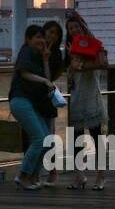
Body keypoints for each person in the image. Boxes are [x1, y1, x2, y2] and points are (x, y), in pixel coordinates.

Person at [8, 24, 57, 191]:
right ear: (28, 39)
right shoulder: (26, 51)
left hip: (31, 103)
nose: (41, 40)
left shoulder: (37, 56)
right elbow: (24, 73)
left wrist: (45, 59)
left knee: (47, 141)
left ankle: (32, 176)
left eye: (42, 37)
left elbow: (48, 80)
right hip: (20, 101)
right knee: (39, 139)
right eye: (37, 37)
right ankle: (22, 175)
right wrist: (44, 81)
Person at [64, 13, 109, 189]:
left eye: (76, 27)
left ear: (82, 27)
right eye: (70, 29)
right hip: (76, 97)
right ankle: (79, 175)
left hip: (91, 95)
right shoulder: (69, 48)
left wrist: (80, 66)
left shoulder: (94, 45)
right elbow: (70, 70)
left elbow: (104, 64)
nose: (74, 30)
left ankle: (101, 176)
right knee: (76, 139)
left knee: (97, 137)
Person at [40, 20, 66, 187]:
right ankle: (32, 173)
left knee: (48, 135)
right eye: (49, 31)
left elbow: (50, 78)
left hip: (47, 98)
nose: (52, 35)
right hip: (32, 96)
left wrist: (46, 59)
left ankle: (53, 172)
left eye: (55, 33)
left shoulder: (56, 55)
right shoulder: (34, 49)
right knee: (35, 135)